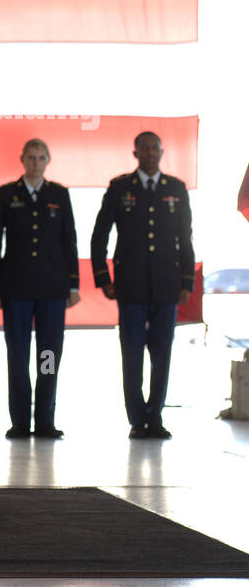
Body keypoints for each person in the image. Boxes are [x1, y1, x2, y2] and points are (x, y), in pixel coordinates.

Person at [90, 131, 195, 438]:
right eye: (144, 148)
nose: (150, 152)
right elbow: (100, 235)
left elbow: (184, 239)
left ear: (161, 152)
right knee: (133, 353)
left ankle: (155, 415)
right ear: (135, 153)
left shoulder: (175, 188)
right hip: (131, 285)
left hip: (167, 286)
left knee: (162, 352)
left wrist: (186, 280)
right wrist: (102, 278)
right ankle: (137, 419)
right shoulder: (120, 187)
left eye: (154, 148)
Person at [0, 140, 79, 439]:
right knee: (18, 356)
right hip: (16, 288)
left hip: (52, 289)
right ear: (22, 159)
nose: (36, 163)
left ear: (48, 160)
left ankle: (45, 419)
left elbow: (69, 240)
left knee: (48, 355)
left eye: (41, 158)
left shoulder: (58, 194)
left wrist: (73, 284)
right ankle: (21, 422)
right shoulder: (6, 194)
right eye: (31, 158)